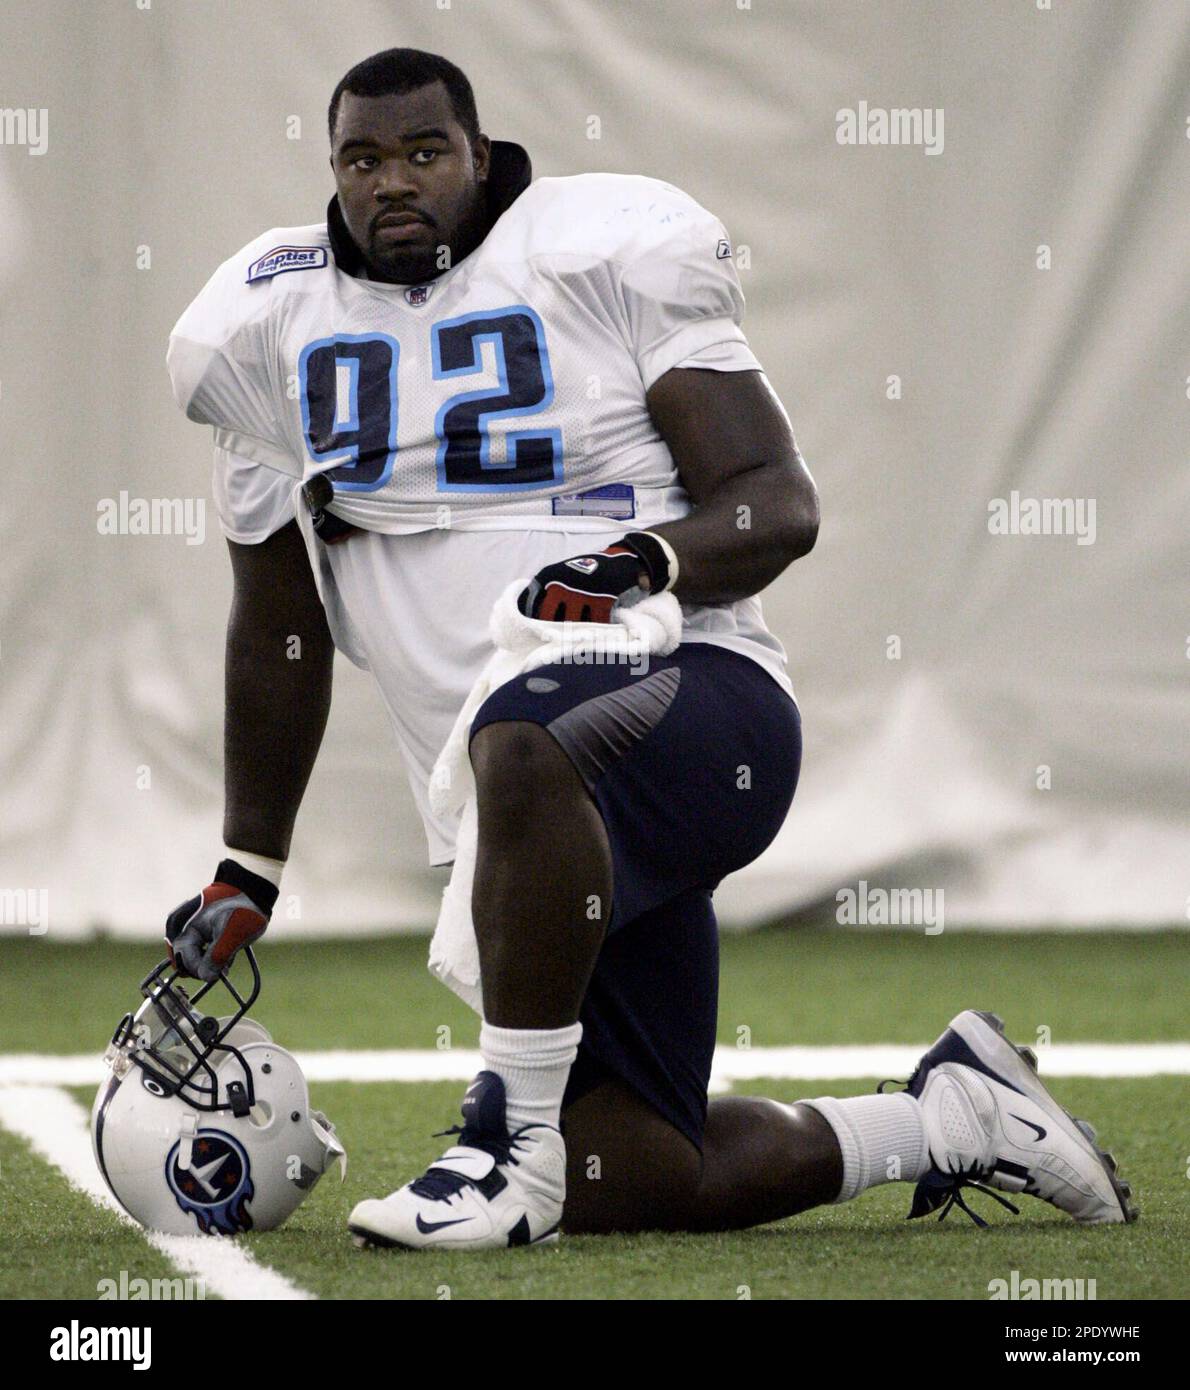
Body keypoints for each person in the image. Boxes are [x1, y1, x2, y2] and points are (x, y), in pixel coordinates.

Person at [163, 48, 1132, 1249]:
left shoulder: (602, 253)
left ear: (480, 155)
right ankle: (948, 1116)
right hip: (524, 810)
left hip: (691, 709)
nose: (393, 182)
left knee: (522, 727)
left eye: (424, 152)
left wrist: (641, 559)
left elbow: (774, 499)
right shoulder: (259, 329)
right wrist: (247, 862)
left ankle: (500, 1145)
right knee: (634, 1178)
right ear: (332, 171)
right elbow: (281, 626)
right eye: (363, 159)